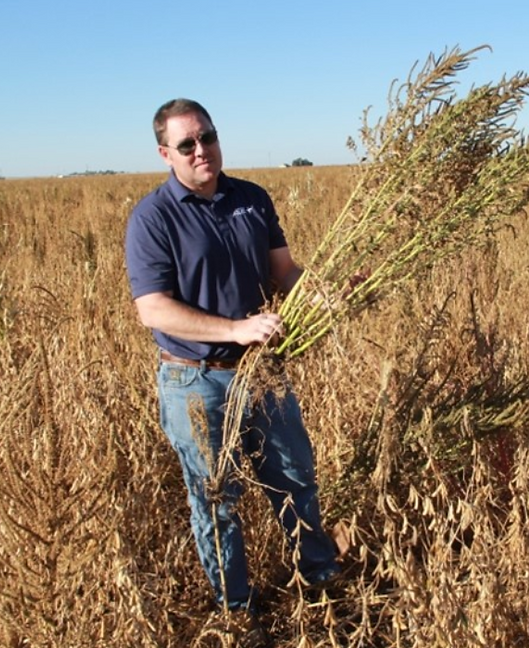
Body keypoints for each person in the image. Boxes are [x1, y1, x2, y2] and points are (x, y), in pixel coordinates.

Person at [124, 98, 340, 640]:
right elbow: (152, 307)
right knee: (217, 499)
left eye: (209, 137)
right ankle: (237, 612)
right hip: (196, 381)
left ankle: (322, 580)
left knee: (295, 477)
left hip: (263, 372)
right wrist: (235, 329)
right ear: (164, 154)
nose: (203, 151)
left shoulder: (251, 198)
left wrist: (319, 292)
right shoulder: (153, 218)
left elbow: (284, 271)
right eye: (187, 144)